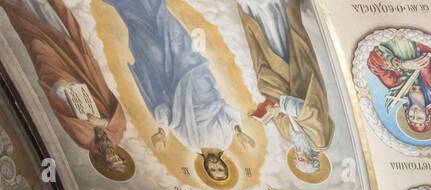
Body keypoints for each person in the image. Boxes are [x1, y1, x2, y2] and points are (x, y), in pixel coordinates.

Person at [102, 0, 254, 175]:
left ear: (206, 168)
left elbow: (169, 113)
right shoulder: (225, 139)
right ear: (225, 165)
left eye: (213, 170)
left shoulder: (190, 142)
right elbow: (228, 111)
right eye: (220, 168)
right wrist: (239, 131)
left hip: (174, 86)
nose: (215, 166)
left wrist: (162, 130)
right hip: (198, 79)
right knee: (173, 34)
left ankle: (127, 6)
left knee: (146, 43)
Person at [0, 0, 131, 177]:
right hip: (80, 67)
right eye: (118, 160)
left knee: (36, 42)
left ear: (103, 162)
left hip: (60, 79)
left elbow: (64, 114)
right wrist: (102, 122)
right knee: (54, 21)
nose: (114, 157)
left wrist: (61, 89)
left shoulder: (84, 140)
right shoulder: (116, 135)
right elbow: (119, 118)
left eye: (112, 162)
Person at [239, 0, 335, 178]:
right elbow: (310, 111)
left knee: (264, 45)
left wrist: (267, 114)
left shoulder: (289, 137)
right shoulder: (320, 140)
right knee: (281, 35)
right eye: (303, 158)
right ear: (312, 157)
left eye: (298, 158)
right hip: (297, 74)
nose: (299, 155)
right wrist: (281, 107)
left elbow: (279, 114)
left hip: (279, 82)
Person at [366, 33, 431, 136]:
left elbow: (373, 63)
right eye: (419, 118)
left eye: (411, 117)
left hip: (387, 37)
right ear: (427, 113)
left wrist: (401, 64)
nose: (414, 113)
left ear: (407, 113)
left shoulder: (394, 85)